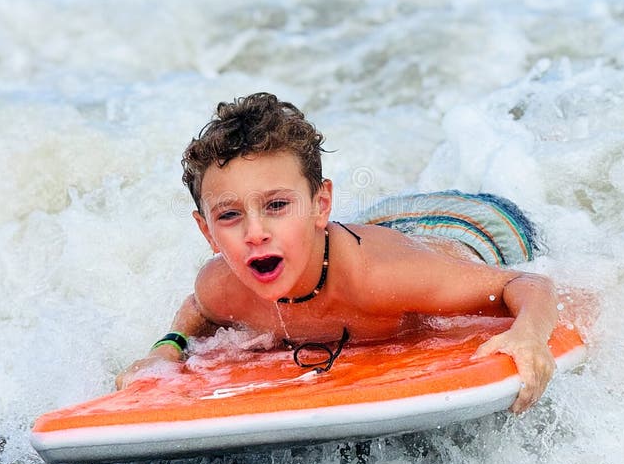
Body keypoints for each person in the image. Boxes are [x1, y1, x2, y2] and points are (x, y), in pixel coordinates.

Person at [116, 93, 558, 413]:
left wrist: (529, 336)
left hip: (473, 226)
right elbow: (199, 309)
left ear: (320, 204)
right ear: (207, 232)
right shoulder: (221, 285)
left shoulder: (380, 281)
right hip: (368, 228)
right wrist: (168, 348)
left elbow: (527, 284)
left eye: (276, 206)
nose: (255, 233)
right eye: (229, 215)